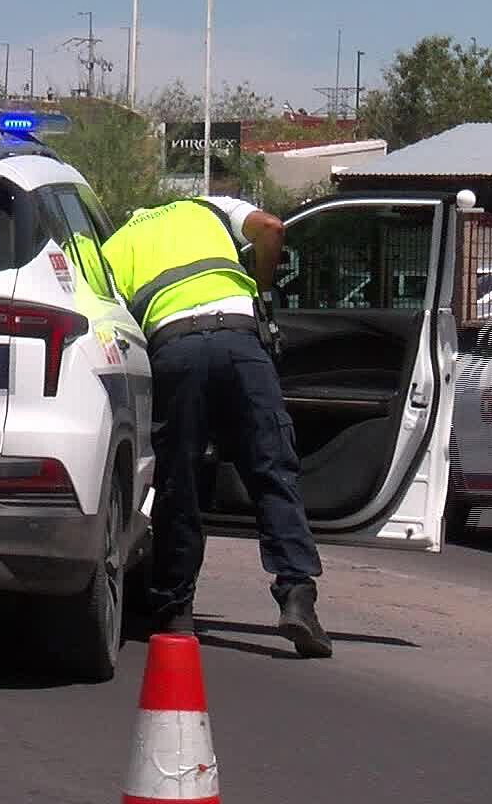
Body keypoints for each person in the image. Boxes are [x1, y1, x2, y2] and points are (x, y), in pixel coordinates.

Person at [101, 195, 333, 658]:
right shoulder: (206, 207)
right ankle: (296, 595)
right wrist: (261, 292)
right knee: (271, 468)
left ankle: (175, 612)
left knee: (178, 481)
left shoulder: (116, 245)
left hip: (175, 349)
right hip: (240, 342)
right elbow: (270, 228)